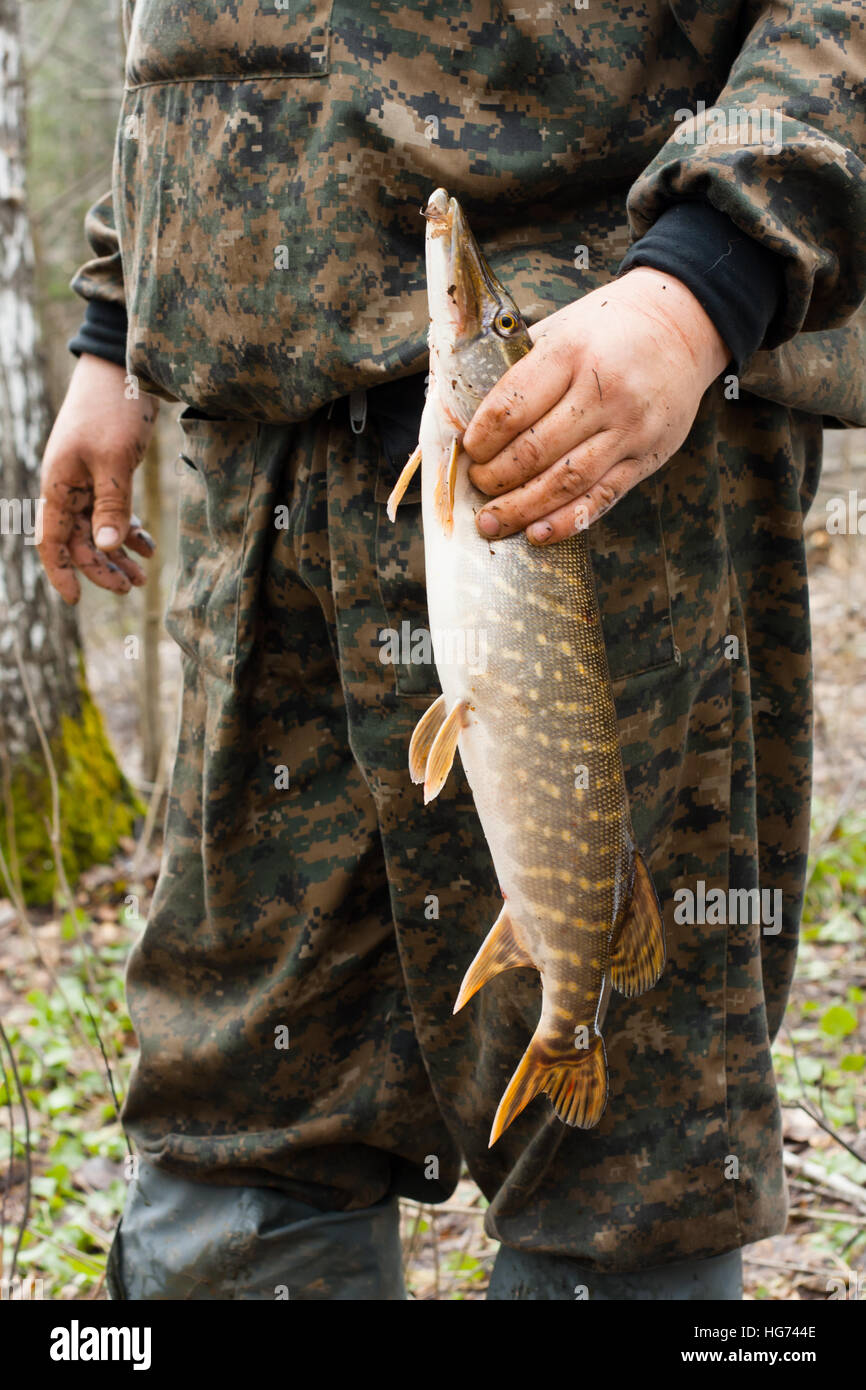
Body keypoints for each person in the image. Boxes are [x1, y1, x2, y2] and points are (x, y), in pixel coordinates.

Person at [39, 2, 866, 1300]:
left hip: (596, 425)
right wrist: (115, 312)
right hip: (263, 436)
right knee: (242, 1097)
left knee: (623, 1154)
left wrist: (710, 271)